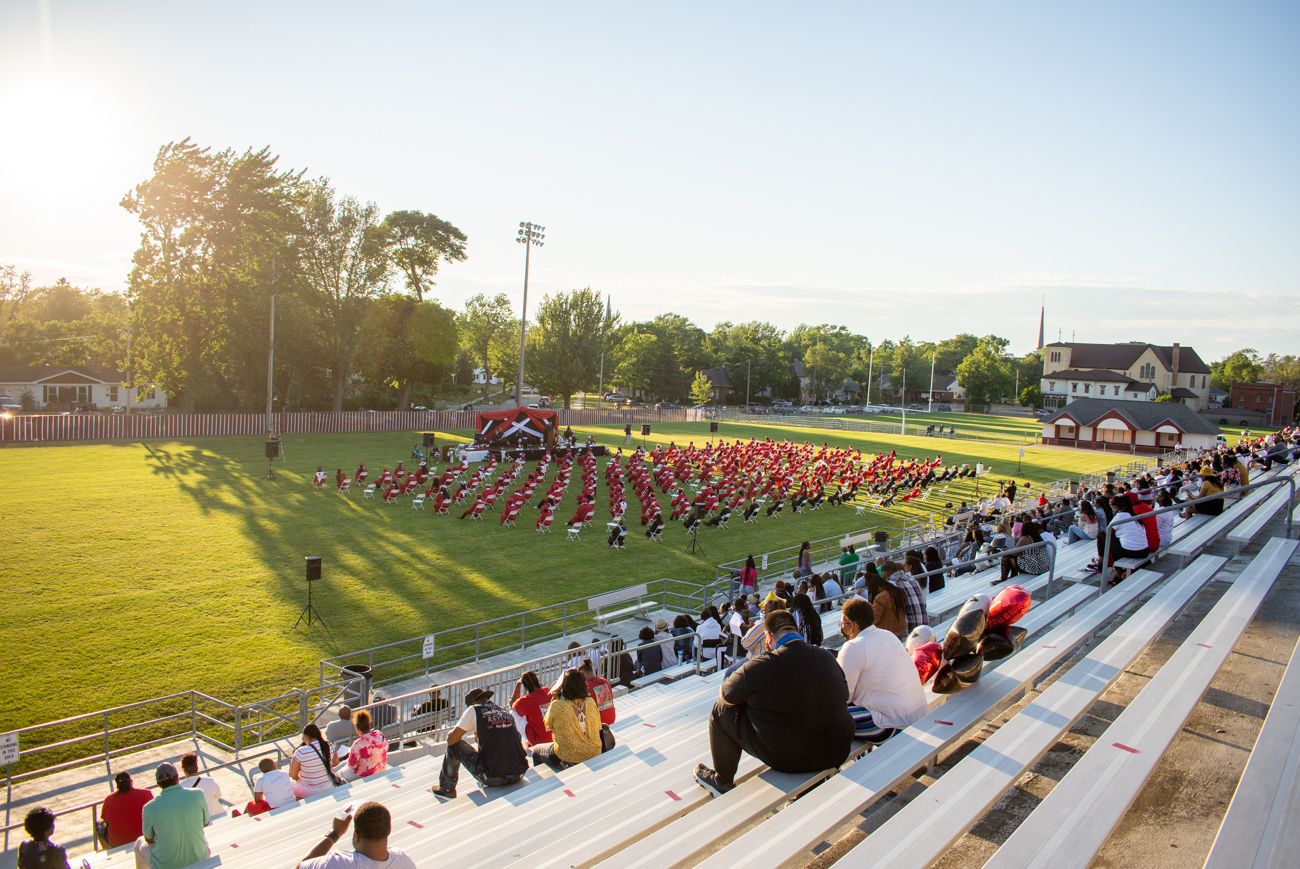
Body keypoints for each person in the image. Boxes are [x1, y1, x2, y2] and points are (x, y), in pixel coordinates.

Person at [694, 611, 854, 796]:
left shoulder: (763, 665)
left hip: (791, 757)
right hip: (838, 750)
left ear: (767, 636)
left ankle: (722, 781)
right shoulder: (825, 656)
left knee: (720, 710)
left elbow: (726, 695)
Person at [837, 598, 928, 744]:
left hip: (892, 725)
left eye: (842, 624)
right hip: (917, 717)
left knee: (824, 715)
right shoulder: (888, 635)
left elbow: (843, 697)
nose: (841, 629)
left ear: (851, 624)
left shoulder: (853, 646)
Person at [431, 687, 529, 798]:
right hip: (519, 773)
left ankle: (447, 789)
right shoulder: (503, 711)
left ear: (471, 704)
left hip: (495, 778)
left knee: (455, 745)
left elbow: (452, 739)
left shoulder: (474, 710)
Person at [295, 801, 416, 869]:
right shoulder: (403, 860)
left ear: (356, 836)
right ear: (389, 830)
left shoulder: (337, 863)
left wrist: (334, 834)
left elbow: (301, 866)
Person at [136, 762, 209, 869]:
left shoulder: (149, 807)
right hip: (199, 859)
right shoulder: (198, 794)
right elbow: (205, 823)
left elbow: (149, 839)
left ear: (158, 783)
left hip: (165, 866)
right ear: (177, 778)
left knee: (138, 842)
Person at [532, 669, 603, 771]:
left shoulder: (558, 705)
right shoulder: (590, 702)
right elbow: (596, 726)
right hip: (594, 752)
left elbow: (547, 724)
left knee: (535, 750)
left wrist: (553, 700)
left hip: (568, 756)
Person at [100, 771, 153, 849]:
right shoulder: (146, 793)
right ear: (131, 782)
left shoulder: (109, 799)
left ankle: (110, 852)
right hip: (146, 837)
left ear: (117, 785)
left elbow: (106, 821)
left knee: (99, 826)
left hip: (118, 842)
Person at [290, 724, 339, 799]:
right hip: (329, 786)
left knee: (289, 781)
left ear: (305, 736)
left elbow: (293, 776)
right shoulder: (330, 745)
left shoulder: (300, 752)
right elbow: (335, 763)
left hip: (309, 792)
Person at [858, 569, 908, 639]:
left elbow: (874, 619)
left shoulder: (881, 597)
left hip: (886, 633)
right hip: (899, 630)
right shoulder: (898, 591)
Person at [510, 670, 554, 746]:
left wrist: (518, 685)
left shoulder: (525, 701)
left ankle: (529, 740)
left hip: (539, 741)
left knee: (513, 712)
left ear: (526, 687)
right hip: (555, 737)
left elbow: (512, 705)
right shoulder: (550, 691)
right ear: (537, 680)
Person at [882, 561, 927, 634]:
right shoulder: (912, 580)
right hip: (923, 625)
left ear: (886, 573)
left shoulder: (891, 584)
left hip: (908, 630)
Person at [343, 710, 387, 780]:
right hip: (380, 769)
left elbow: (352, 765)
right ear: (369, 725)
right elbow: (386, 747)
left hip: (365, 775)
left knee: (341, 773)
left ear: (357, 729)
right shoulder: (379, 735)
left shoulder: (358, 744)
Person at [177, 753, 223, 818]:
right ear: (197, 768)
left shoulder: (180, 788)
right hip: (219, 815)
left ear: (183, 770)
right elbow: (218, 796)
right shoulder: (209, 781)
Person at [579, 658, 617, 725]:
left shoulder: (587, 685)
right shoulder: (604, 681)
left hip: (599, 721)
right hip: (611, 718)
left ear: (583, 674)